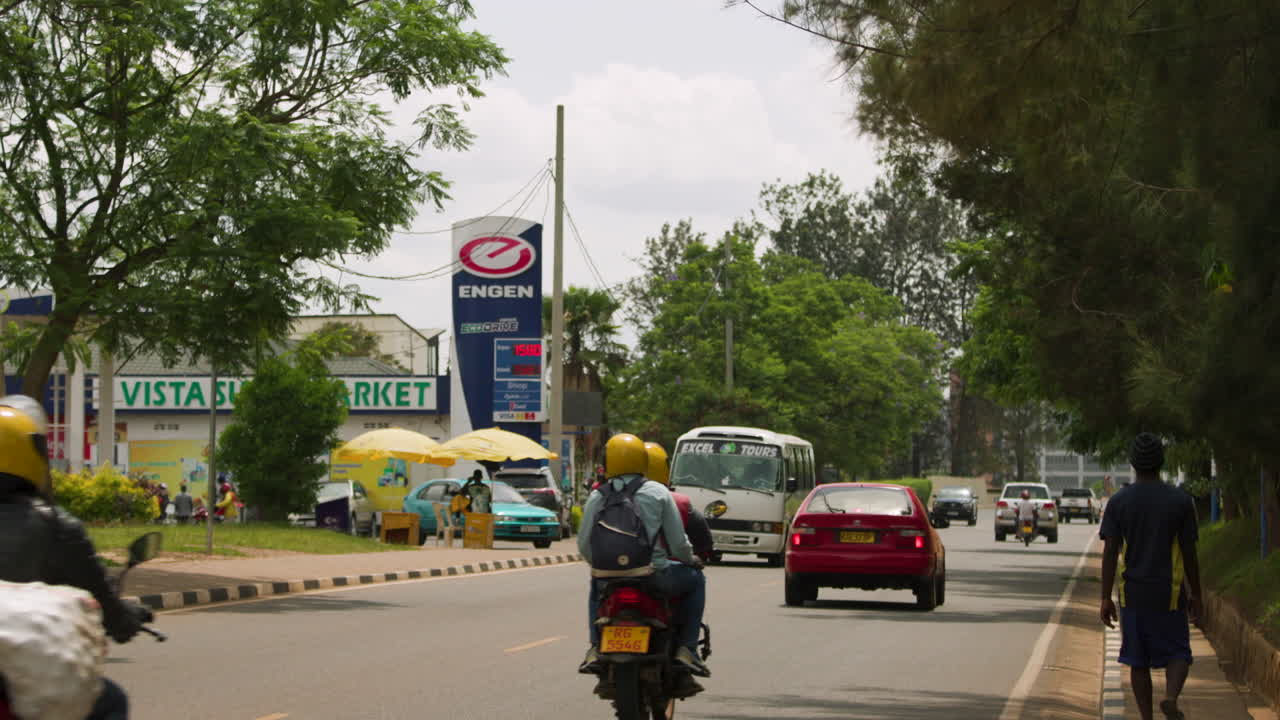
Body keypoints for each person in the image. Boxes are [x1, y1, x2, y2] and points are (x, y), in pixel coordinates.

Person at [0, 395, 149, 719]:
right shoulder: (55, 528)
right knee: (112, 701)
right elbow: (104, 604)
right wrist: (125, 620)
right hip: (24, 675)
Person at [578, 433, 707, 696]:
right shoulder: (658, 492)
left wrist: (603, 566)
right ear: (643, 460)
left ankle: (594, 646)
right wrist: (690, 560)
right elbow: (678, 542)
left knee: (595, 584)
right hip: (654, 576)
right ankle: (687, 649)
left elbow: (583, 544)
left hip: (609, 578)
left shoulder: (597, 496)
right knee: (696, 581)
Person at [1100, 432, 1202, 720]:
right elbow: (1189, 552)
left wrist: (1105, 598)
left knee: (1138, 660)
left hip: (1133, 594)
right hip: (1169, 594)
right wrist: (1197, 594)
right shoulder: (1180, 501)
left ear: (1133, 462)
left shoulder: (1119, 502)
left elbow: (1110, 552)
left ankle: (1147, 717)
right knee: (1179, 653)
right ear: (1161, 461)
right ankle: (1170, 697)